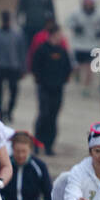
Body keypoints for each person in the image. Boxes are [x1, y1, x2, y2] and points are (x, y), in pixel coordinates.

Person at [30, 25, 72, 155]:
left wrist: (63, 80)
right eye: (59, 35)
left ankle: (49, 145)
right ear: (52, 35)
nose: (61, 37)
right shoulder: (42, 50)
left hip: (58, 89)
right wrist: (40, 80)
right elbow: (35, 66)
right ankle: (36, 143)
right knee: (44, 115)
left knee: (53, 117)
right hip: (44, 89)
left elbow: (68, 67)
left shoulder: (62, 51)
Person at [0, 10, 27, 122]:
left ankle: (9, 111)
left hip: (13, 67)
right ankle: (0, 112)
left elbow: (22, 52)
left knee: (14, 91)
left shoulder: (17, 35)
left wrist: (23, 68)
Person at [65, 0, 100, 95]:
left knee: (91, 67)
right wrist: (75, 28)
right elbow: (68, 22)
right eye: (86, 1)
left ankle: (86, 87)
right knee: (77, 65)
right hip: (79, 44)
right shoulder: (76, 12)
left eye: (90, 1)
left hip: (94, 44)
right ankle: (77, 74)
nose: (88, 3)